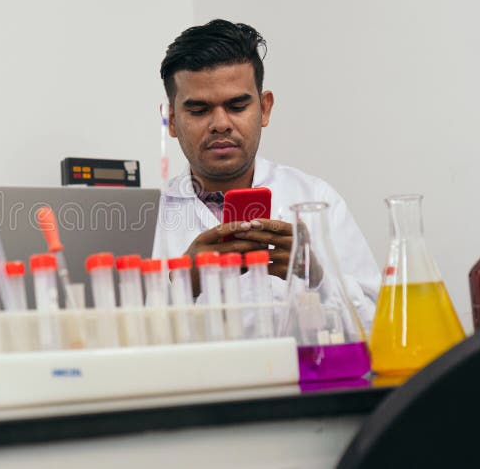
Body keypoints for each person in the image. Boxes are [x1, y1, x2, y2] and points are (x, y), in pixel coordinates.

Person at [153, 19, 379, 327]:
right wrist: (179, 285)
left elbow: (379, 329)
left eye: (237, 105)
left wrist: (316, 276)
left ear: (265, 108)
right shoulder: (150, 217)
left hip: (300, 376)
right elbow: (115, 347)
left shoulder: (317, 200)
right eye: (199, 110)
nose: (220, 123)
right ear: (172, 121)